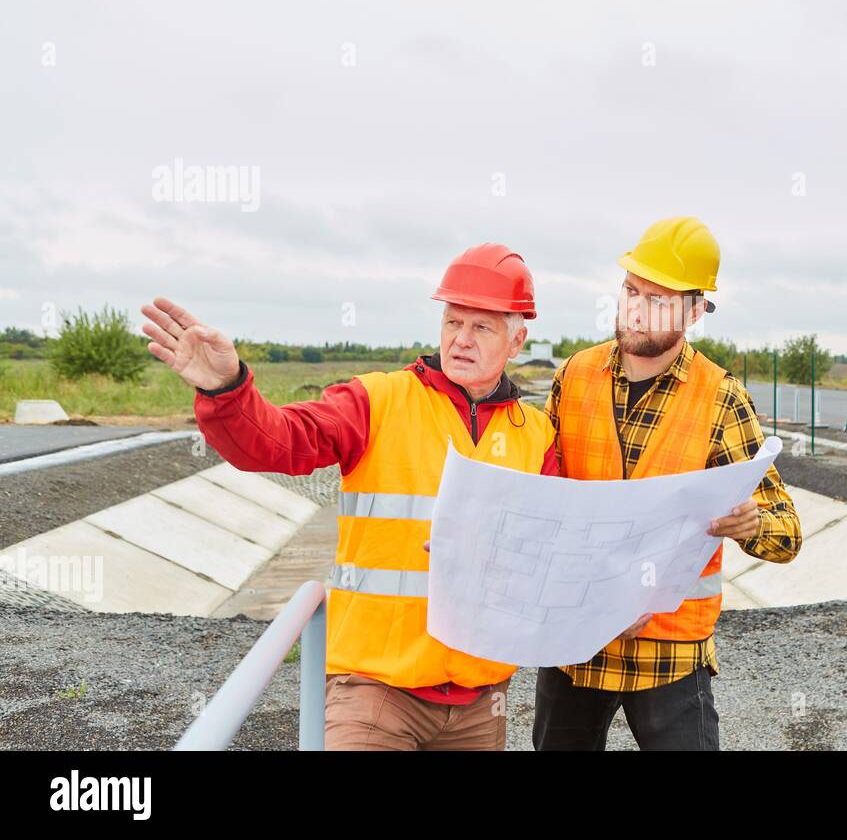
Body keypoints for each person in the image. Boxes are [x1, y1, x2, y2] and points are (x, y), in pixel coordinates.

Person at [141, 243, 556, 750]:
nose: (461, 340)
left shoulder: (536, 434)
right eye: (452, 323)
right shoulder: (377, 400)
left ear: (517, 341)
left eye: (481, 327)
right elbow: (280, 440)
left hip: (479, 703)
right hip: (374, 693)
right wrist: (228, 390)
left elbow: (554, 542)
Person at [532, 216, 802, 751]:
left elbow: (787, 533)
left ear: (696, 311)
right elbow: (542, 495)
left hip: (669, 654)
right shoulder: (574, 377)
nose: (635, 308)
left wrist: (751, 523)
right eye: (631, 290)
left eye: (657, 300)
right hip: (576, 644)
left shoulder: (721, 399)